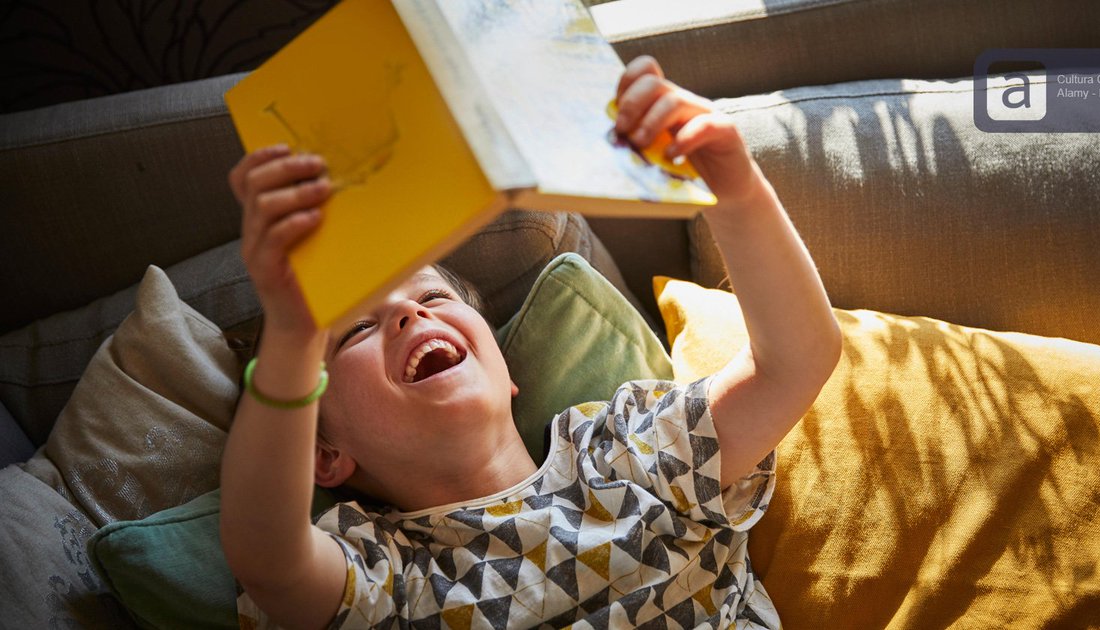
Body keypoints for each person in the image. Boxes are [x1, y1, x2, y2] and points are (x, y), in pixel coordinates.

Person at [220, 56, 842, 629]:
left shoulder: (624, 452)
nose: (410, 314)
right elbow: (267, 560)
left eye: (433, 298)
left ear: (505, 369)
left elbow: (795, 361)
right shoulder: (386, 572)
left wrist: (733, 187)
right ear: (323, 455)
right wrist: (296, 334)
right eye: (355, 327)